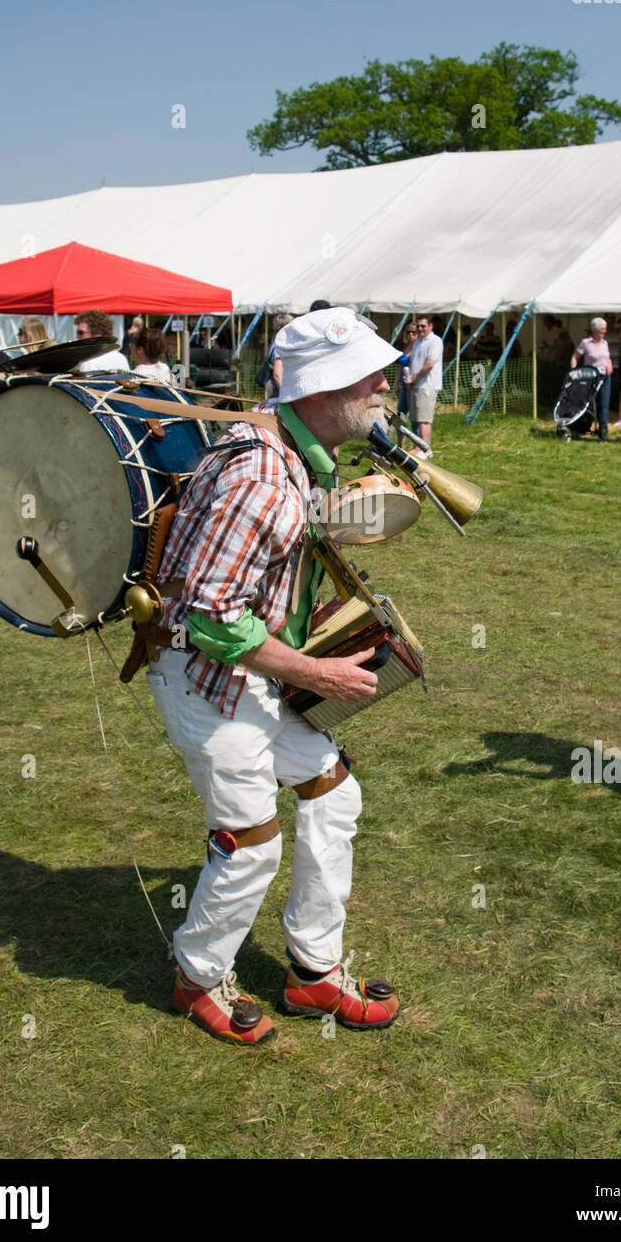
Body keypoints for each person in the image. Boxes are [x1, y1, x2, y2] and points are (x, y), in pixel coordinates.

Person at [145, 308, 403, 1045]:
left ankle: (313, 971)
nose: (385, 386)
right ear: (324, 387)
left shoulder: (297, 452)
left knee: (333, 791)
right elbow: (210, 618)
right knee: (251, 839)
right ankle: (197, 977)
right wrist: (317, 669)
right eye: (368, 375)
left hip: (245, 670)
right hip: (204, 676)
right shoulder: (259, 474)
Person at [571, 318, 613, 441]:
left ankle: (603, 429)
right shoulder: (585, 343)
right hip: (590, 378)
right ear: (594, 330)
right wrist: (574, 372)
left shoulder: (605, 343)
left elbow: (607, 358)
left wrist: (610, 364)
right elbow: (575, 357)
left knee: (603, 403)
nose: (604, 331)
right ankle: (585, 428)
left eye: (605, 329)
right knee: (587, 403)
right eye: (602, 329)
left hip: (604, 377)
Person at [407, 316, 443, 456]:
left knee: (424, 420)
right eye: (418, 326)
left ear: (430, 326)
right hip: (416, 385)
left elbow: (430, 364)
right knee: (416, 419)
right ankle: (418, 447)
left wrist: (416, 378)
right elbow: (413, 363)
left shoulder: (435, 341)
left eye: (423, 326)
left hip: (427, 385)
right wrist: (409, 378)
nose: (420, 329)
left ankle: (426, 449)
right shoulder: (417, 343)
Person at [394, 319, 419, 447]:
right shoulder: (405, 347)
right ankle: (400, 444)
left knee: (414, 418)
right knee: (400, 415)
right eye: (408, 332)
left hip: (413, 385)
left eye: (414, 332)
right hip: (403, 385)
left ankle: (417, 446)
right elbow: (400, 367)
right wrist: (396, 384)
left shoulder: (419, 348)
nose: (411, 334)